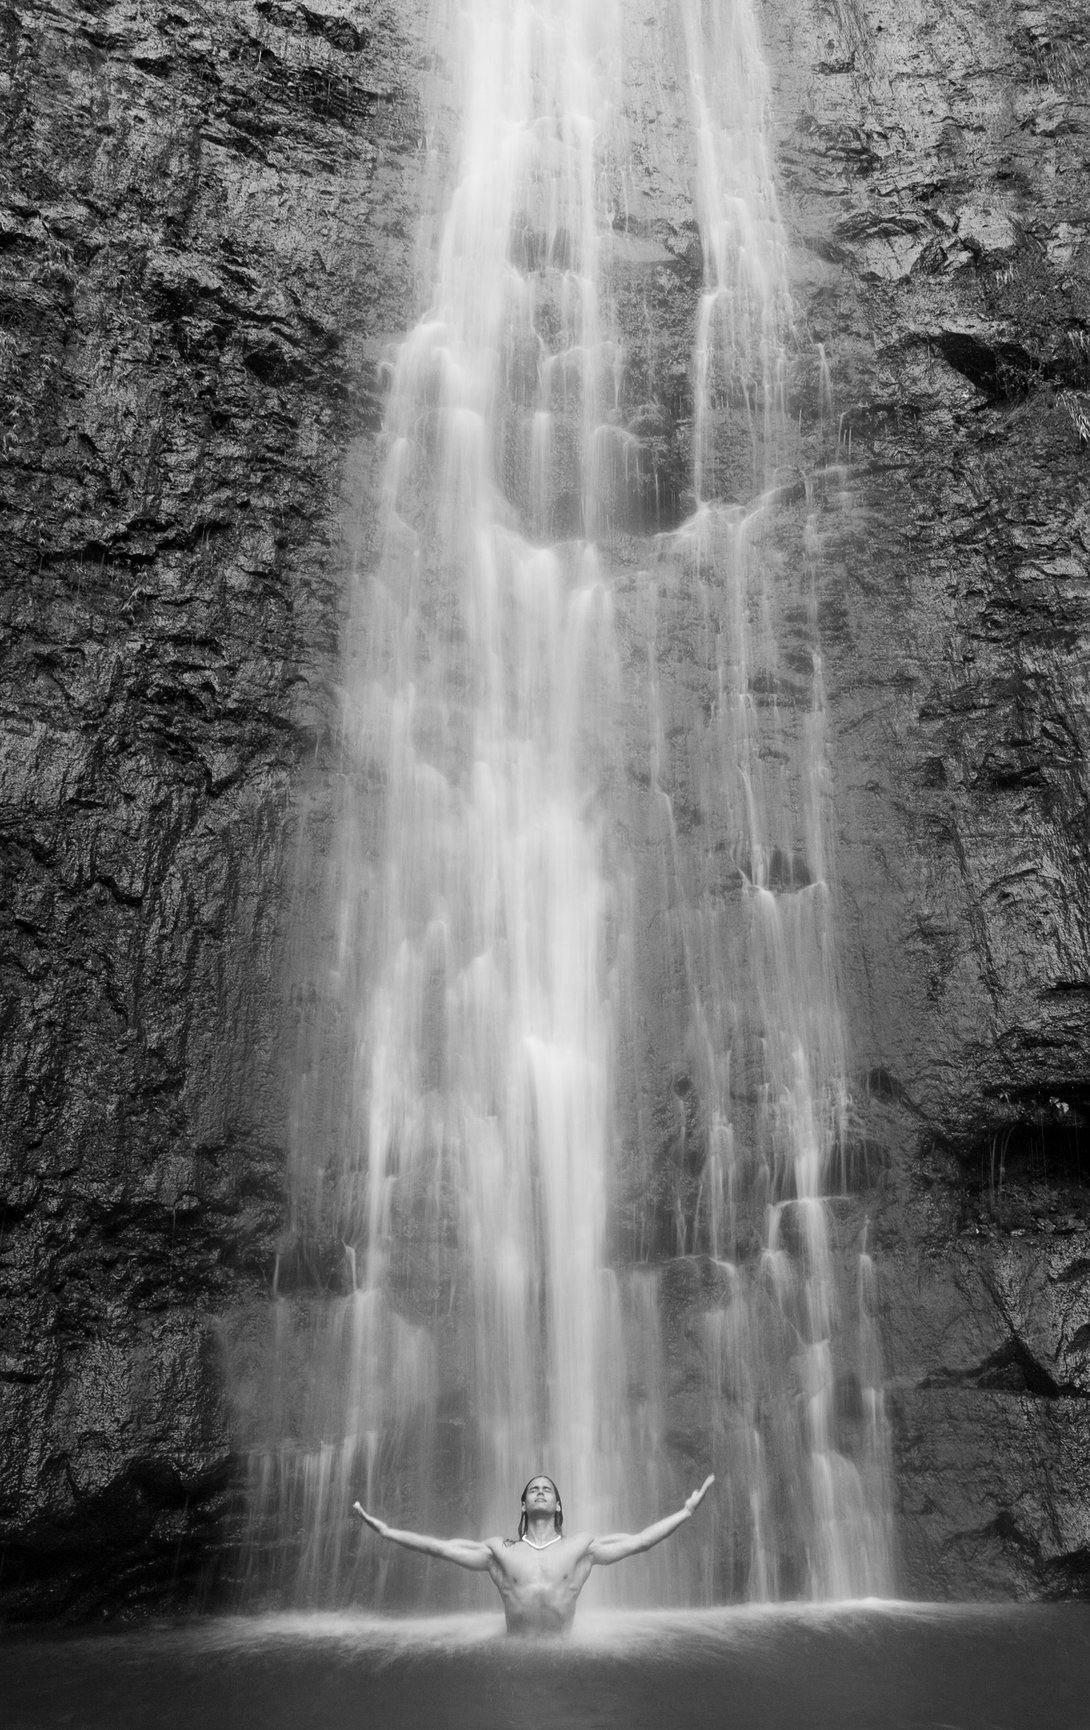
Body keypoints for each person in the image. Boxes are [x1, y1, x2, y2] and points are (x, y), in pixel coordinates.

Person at [351, 1471, 715, 1635]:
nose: (540, 1492)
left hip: (566, 1660)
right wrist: (386, 1531)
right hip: (513, 1659)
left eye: (548, 1490)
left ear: (558, 1506)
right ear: (523, 1505)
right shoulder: (499, 1551)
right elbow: (439, 1549)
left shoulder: (582, 1548)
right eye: (533, 1490)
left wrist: (685, 1513)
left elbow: (640, 1542)